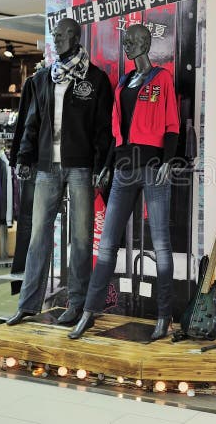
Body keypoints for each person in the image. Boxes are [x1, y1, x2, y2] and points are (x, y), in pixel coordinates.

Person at [69, 24, 179, 341]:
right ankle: (89, 313)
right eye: (125, 41)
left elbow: (171, 123)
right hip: (123, 169)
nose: (127, 45)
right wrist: (108, 167)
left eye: (132, 40)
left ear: (146, 42)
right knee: (106, 246)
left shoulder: (162, 78)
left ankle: (163, 317)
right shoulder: (122, 84)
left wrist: (168, 160)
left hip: (154, 166)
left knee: (161, 245)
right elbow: (118, 135)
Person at [6, 18, 113, 327]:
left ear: (75, 36)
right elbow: (30, 122)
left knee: (80, 238)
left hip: (80, 166)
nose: (55, 39)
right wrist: (23, 157)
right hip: (46, 166)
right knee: (38, 235)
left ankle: (78, 305)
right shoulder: (41, 80)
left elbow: (102, 129)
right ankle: (27, 304)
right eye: (53, 35)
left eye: (61, 34)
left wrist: (101, 165)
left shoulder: (95, 80)